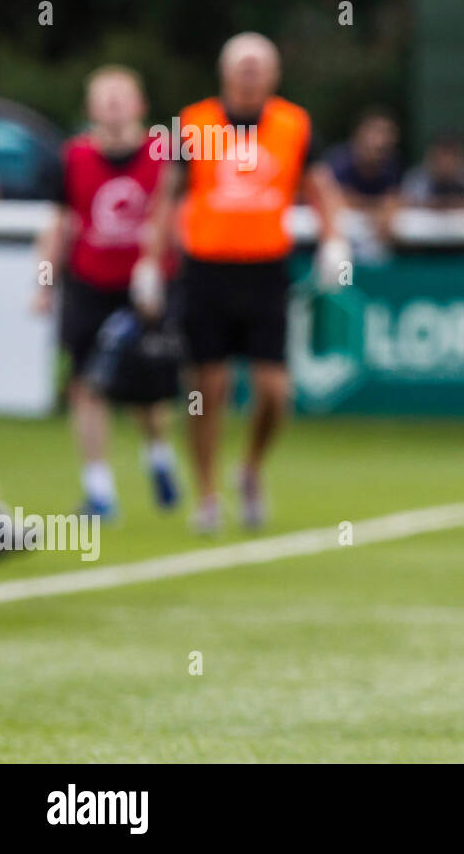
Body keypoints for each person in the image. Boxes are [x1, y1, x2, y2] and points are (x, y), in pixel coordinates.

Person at [138, 32, 347, 533]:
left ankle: (250, 468)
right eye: (242, 64)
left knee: (274, 389)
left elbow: (321, 189)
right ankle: (207, 494)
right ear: (224, 71)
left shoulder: (292, 124)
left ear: (274, 74)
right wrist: (149, 261)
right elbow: (168, 196)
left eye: (260, 65)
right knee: (207, 386)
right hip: (207, 269)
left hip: (264, 268)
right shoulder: (194, 122)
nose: (251, 73)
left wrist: (334, 241)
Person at [32, 66, 179, 519]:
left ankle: (158, 454)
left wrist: (153, 267)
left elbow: (169, 213)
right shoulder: (72, 157)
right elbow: (61, 222)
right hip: (90, 284)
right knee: (86, 384)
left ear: (140, 106)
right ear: (90, 108)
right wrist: (44, 281)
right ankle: (99, 491)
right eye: (104, 97)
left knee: (145, 394)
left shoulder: (162, 153)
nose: (113, 106)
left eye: (122, 96)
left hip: (144, 288)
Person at [325, 106, 402, 262]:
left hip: (373, 243)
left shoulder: (391, 164)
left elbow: (393, 200)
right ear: (359, 135)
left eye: (385, 134)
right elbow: (334, 198)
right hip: (336, 239)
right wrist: (376, 209)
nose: (379, 140)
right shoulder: (339, 161)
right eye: (375, 132)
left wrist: (386, 212)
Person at [400, 133, 464, 211]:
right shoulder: (420, 175)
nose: (447, 163)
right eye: (442, 156)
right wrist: (449, 204)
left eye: (453, 156)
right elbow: (406, 202)